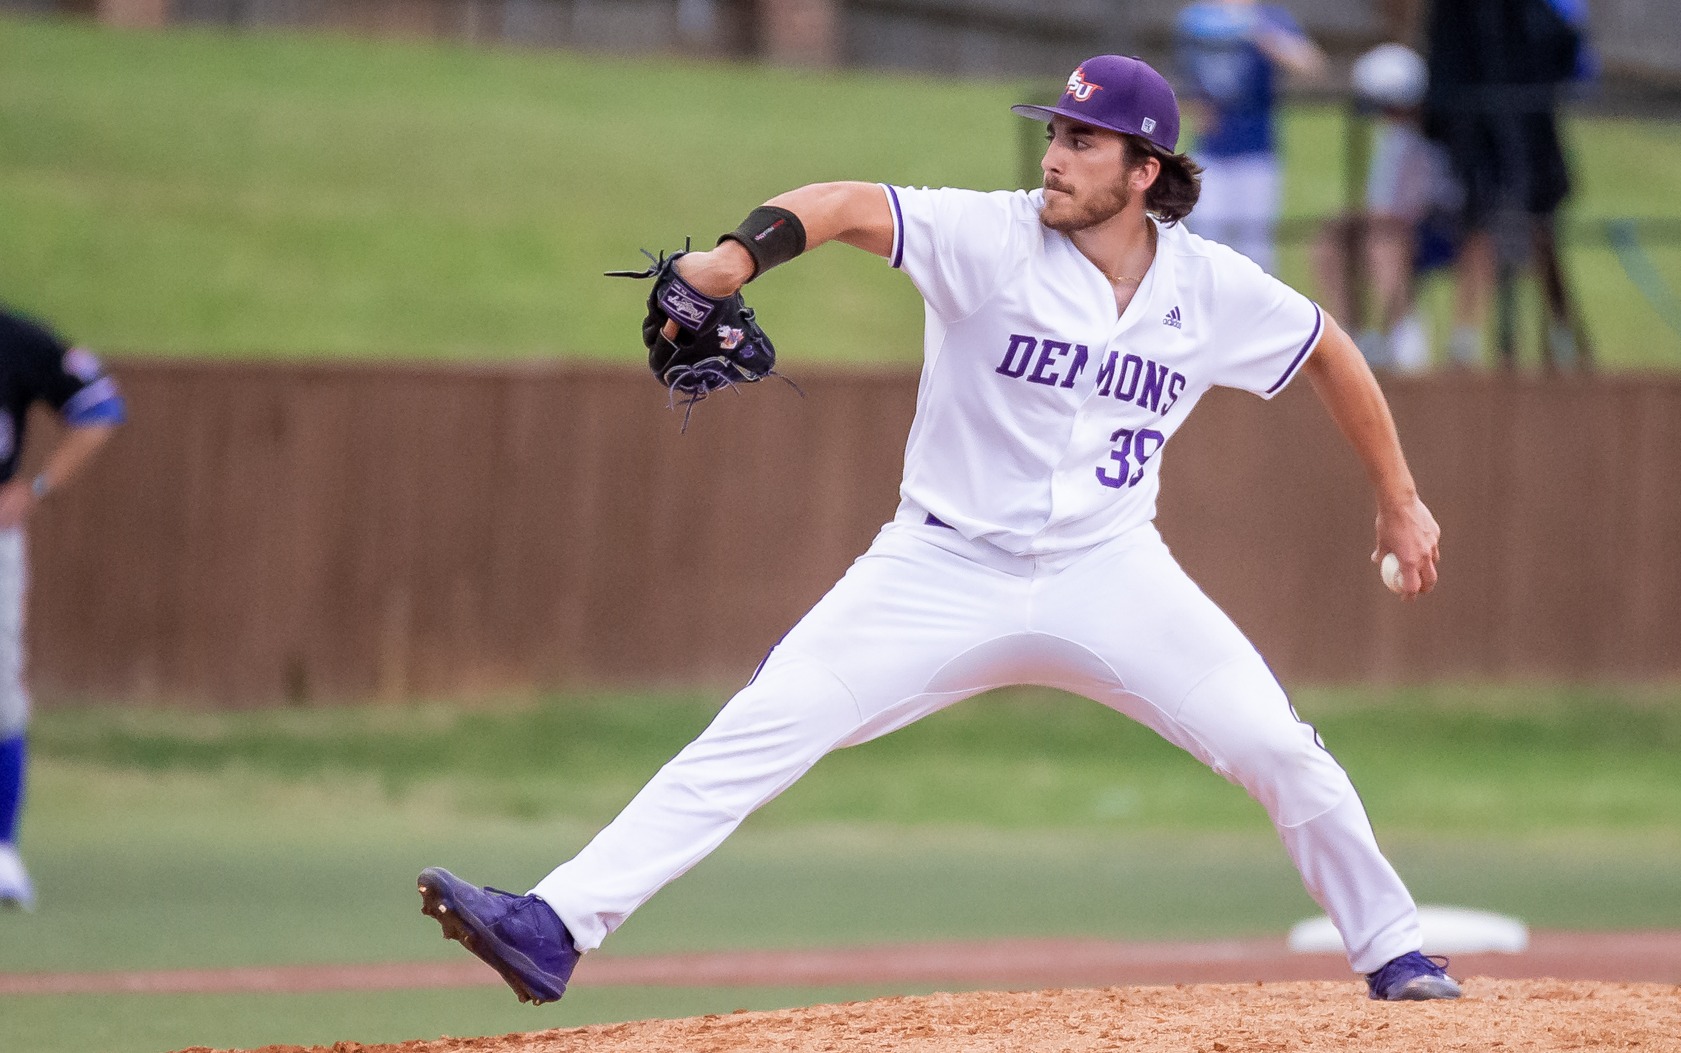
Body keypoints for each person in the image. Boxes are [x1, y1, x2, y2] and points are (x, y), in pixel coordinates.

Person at [417, 54, 1461, 1006]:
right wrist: (735, 261)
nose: (1054, 158)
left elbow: (1329, 348)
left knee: (1277, 745)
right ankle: (554, 926)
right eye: (1054, 134)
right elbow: (840, 205)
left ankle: (1397, 953)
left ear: (1144, 170)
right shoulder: (989, 236)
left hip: (1113, 572)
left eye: (1082, 141)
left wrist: (1399, 496)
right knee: (763, 725)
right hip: (938, 566)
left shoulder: (1208, 286)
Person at [0, 305, 127, 910]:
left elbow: (100, 407)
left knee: (1, 692)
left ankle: (1, 849)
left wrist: (38, 487)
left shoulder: (17, 341)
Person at [1422, 0, 1591, 368]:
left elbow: (1563, 48)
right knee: (1479, 231)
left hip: (1526, 133)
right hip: (1476, 133)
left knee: (1539, 235)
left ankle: (1562, 342)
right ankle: (1466, 343)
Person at [1310, 43, 1464, 372]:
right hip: (1398, 227)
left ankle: (1406, 339)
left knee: (1384, 237)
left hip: (1443, 232)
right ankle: (1349, 339)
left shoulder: (1446, 136)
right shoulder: (1393, 138)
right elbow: (1381, 202)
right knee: (1333, 237)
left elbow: (1452, 199)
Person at [1174, 0, 1325, 272]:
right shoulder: (1195, 21)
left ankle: (1260, 313)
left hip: (1256, 151)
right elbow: (1186, 81)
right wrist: (1198, 108)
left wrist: (1260, 33)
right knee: (1204, 241)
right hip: (1209, 152)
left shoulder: (1268, 19)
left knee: (1255, 248)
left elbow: (1310, 65)